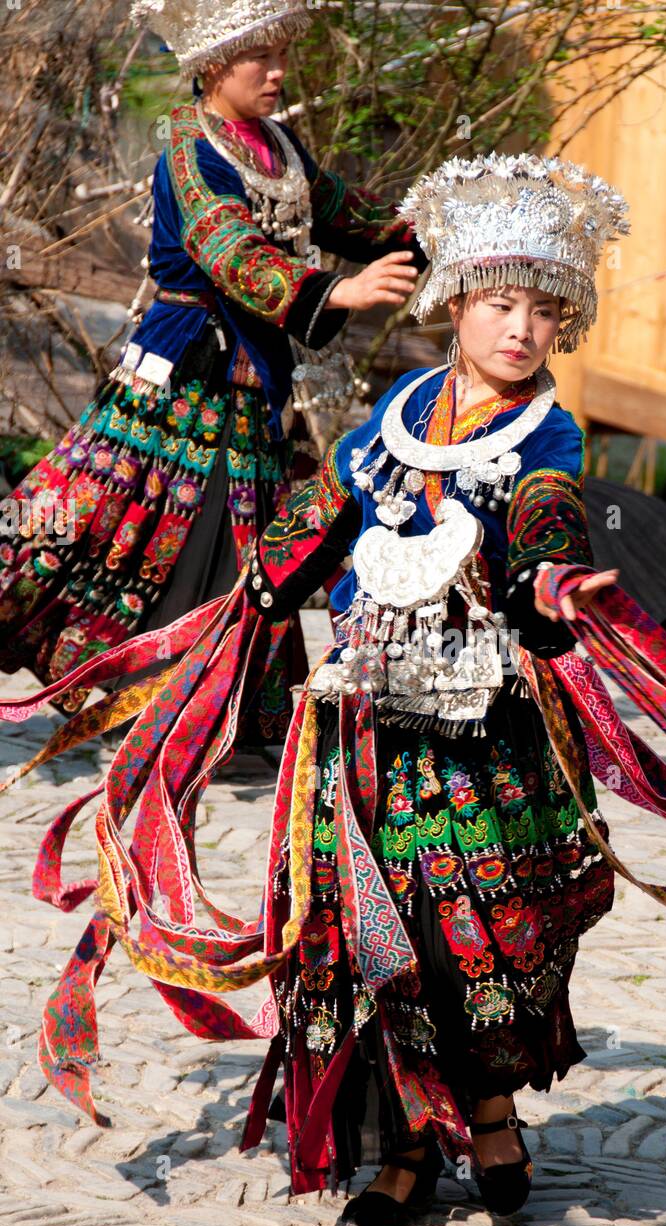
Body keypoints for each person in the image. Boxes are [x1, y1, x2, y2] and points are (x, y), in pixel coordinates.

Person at [0, 152, 666, 1226]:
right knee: (360, 928)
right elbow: (329, 504)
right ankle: (402, 1151)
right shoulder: (401, 408)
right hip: (363, 728)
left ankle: (488, 1105)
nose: (517, 328)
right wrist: (267, 577)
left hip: (487, 734)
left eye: (539, 310)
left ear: (561, 326)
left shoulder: (547, 434)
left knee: (483, 921)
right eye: (495, 303)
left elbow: (542, 520)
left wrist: (553, 583)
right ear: (455, 304)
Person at [0, 0, 426, 744]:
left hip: (254, 373)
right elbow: (228, 252)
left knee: (238, 534)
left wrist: (444, 227)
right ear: (212, 66)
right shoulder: (189, 151)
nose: (277, 72)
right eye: (258, 59)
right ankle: (157, 695)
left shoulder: (277, 146)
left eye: (278, 56)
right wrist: (337, 291)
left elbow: (350, 215)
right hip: (185, 368)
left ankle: (198, 705)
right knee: (101, 520)